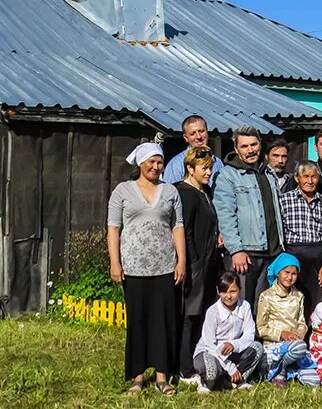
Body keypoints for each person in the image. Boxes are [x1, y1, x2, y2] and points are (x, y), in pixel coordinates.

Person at [107, 142, 187, 396]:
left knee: (163, 321)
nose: (155, 166)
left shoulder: (170, 191)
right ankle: (138, 376)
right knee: (138, 321)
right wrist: (115, 262)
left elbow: (178, 227)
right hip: (133, 267)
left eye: (159, 162)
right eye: (150, 162)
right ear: (140, 163)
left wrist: (181, 260)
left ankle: (162, 376)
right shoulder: (122, 191)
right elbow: (113, 229)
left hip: (164, 266)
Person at [214, 125, 284, 311]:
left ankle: (257, 341)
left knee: (263, 308)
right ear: (236, 149)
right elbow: (225, 215)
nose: (250, 150)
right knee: (240, 306)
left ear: (260, 145)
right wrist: (236, 250)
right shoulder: (227, 176)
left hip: (271, 253)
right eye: (244, 146)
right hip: (245, 254)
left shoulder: (268, 172)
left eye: (254, 144)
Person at [175, 146, 220, 384]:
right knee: (189, 316)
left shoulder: (204, 192)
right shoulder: (185, 193)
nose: (209, 172)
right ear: (190, 168)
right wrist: (192, 263)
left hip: (208, 263)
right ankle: (183, 368)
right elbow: (186, 231)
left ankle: (195, 359)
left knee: (200, 314)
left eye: (211, 168)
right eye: (204, 168)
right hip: (194, 266)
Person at [279, 160, 322, 325]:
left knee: (317, 303)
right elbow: (280, 233)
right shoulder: (284, 200)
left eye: (314, 177)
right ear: (297, 178)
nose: (310, 181)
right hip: (293, 257)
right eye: (306, 177)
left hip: (318, 259)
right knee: (294, 300)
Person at [192, 271, 264, 393]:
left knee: (257, 347)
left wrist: (234, 344)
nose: (229, 296)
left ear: (240, 290)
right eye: (224, 292)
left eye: (233, 291)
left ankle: (237, 380)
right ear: (218, 291)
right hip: (210, 352)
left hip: (232, 352)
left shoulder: (245, 306)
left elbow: (249, 334)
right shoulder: (212, 312)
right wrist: (230, 367)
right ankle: (205, 381)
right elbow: (209, 344)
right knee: (211, 372)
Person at [256, 253, 321, 387]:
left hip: (295, 345)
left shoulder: (298, 296)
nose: (289, 277)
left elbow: (302, 323)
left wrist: (298, 335)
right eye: (286, 272)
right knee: (299, 347)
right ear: (278, 272)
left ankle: (288, 368)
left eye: (294, 273)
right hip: (274, 347)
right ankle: (280, 369)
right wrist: (282, 334)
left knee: (314, 382)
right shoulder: (267, 296)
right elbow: (261, 328)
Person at [163, 115, 224, 184]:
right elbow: (170, 192)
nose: (199, 136)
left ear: (207, 132)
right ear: (186, 137)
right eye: (193, 133)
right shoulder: (176, 165)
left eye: (201, 131)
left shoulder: (217, 163)